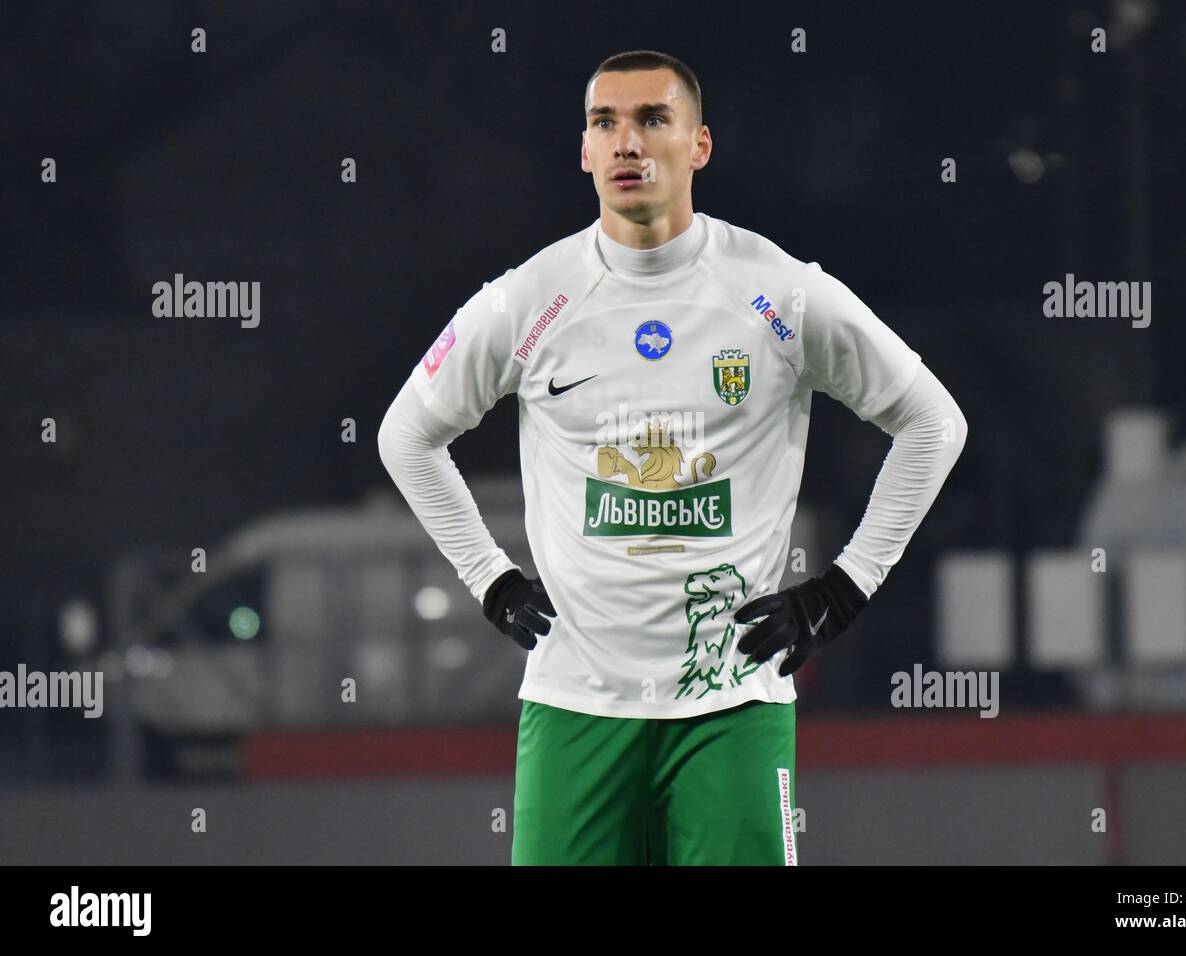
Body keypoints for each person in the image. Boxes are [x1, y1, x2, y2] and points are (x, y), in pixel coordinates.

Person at [378, 49, 967, 865]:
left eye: (653, 120)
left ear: (699, 147)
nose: (628, 143)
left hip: (731, 706)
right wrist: (491, 580)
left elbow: (934, 423)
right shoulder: (528, 298)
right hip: (575, 702)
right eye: (604, 123)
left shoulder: (780, 294)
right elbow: (405, 435)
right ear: (583, 151)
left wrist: (843, 589)